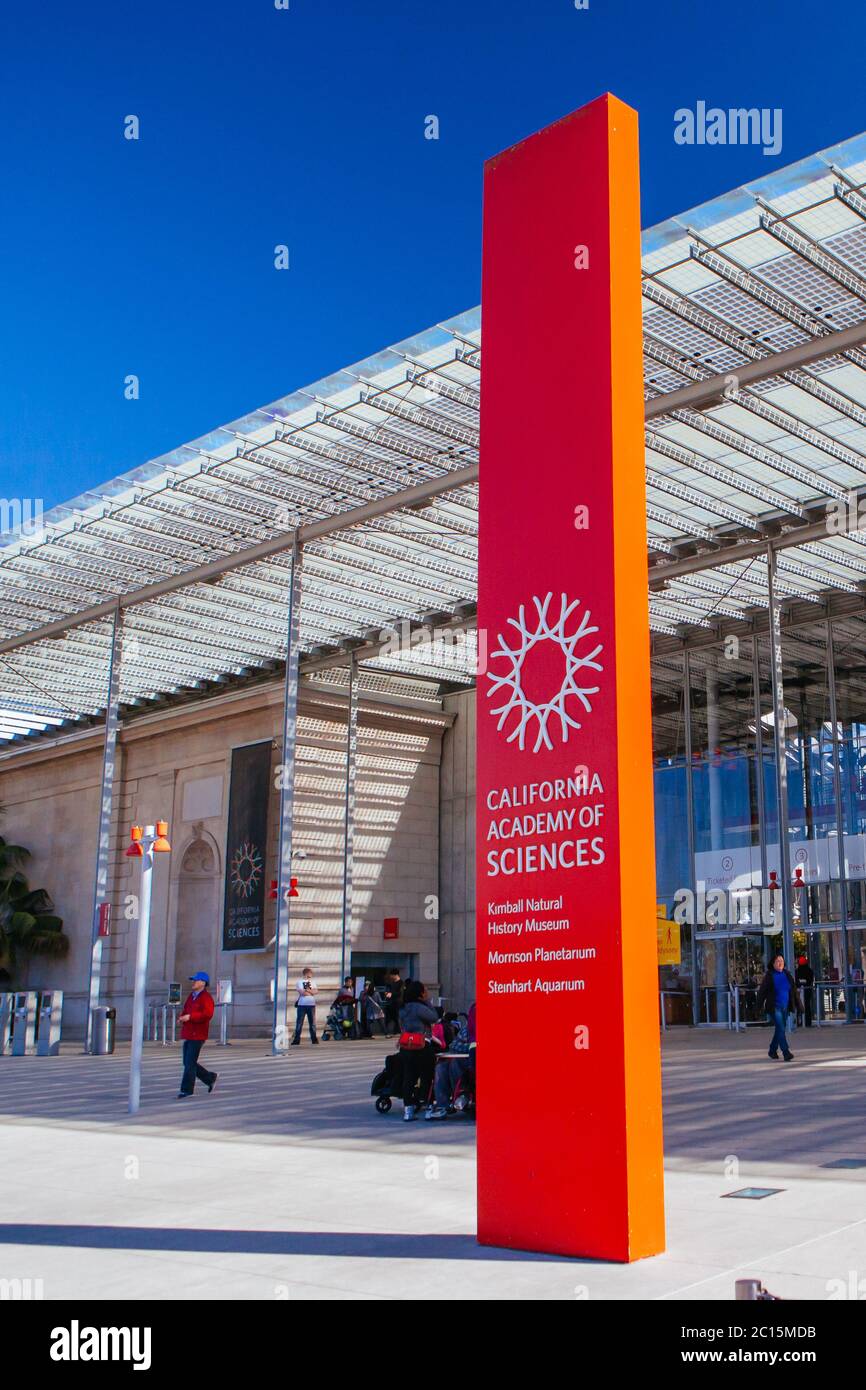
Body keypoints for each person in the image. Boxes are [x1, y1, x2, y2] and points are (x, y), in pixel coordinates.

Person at [398, 980, 440, 1121]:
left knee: (408, 1077)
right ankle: (428, 1107)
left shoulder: (403, 1008)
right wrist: (427, 1001)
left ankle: (408, 1110)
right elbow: (434, 1017)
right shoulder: (419, 1007)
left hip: (406, 1047)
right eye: (424, 990)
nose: (426, 992)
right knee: (427, 1076)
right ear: (420, 993)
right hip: (422, 1045)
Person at [426, 1002, 476, 1120]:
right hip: (465, 1060)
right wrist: (469, 1047)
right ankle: (442, 1105)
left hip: (472, 1064)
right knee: (440, 1067)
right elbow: (454, 1045)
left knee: (455, 1063)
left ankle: (460, 1096)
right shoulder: (466, 1030)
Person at [177, 972, 217, 1099]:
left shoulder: (206, 998)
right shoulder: (192, 996)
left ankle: (187, 1090)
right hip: (189, 1033)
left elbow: (207, 1014)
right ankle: (209, 1077)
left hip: (198, 1034)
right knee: (188, 1062)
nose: (193, 982)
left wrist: (191, 1017)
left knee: (189, 1063)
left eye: (196, 980)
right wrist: (182, 1017)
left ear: (203, 983)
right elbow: (186, 1009)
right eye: (193, 980)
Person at [757, 954, 802, 1062]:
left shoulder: (787, 974)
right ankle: (786, 1052)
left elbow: (794, 991)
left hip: (785, 1006)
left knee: (780, 1029)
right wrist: (757, 1008)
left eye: (781, 960)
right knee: (781, 1028)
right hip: (774, 1007)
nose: (780, 963)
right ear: (773, 964)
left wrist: (799, 1005)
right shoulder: (770, 976)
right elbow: (762, 992)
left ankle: (772, 1050)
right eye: (777, 961)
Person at [291, 966, 319, 1045]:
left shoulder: (313, 982)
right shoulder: (299, 982)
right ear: (307, 973)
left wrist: (308, 990)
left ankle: (314, 1039)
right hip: (302, 1005)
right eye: (311, 973)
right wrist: (310, 991)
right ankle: (296, 1040)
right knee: (299, 1023)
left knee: (312, 1023)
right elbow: (302, 993)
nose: (312, 974)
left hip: (311, 1005)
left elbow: (316, 991)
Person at [382, 969, 404, 1036]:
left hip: (398, 1003)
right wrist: (387, 993)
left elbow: (400, 993)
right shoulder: (392, 983)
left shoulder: (401, 983)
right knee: (389, 1017)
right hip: (391, 1003)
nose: (390, 977)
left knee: (397, 1017)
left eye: (391, 975)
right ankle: (389, 1031)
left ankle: (398, 1031)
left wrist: (391, 994)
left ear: (396, 975)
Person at [795, 955, 815, 1027]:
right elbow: (810, 981)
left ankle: (799, 1022)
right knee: (807, 1006)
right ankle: (808, 1022)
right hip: (807, 991)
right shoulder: (809, 971)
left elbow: (796, 981)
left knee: (799, 1006)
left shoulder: (797, 971)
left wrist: (799, 984)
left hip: (799, 991)